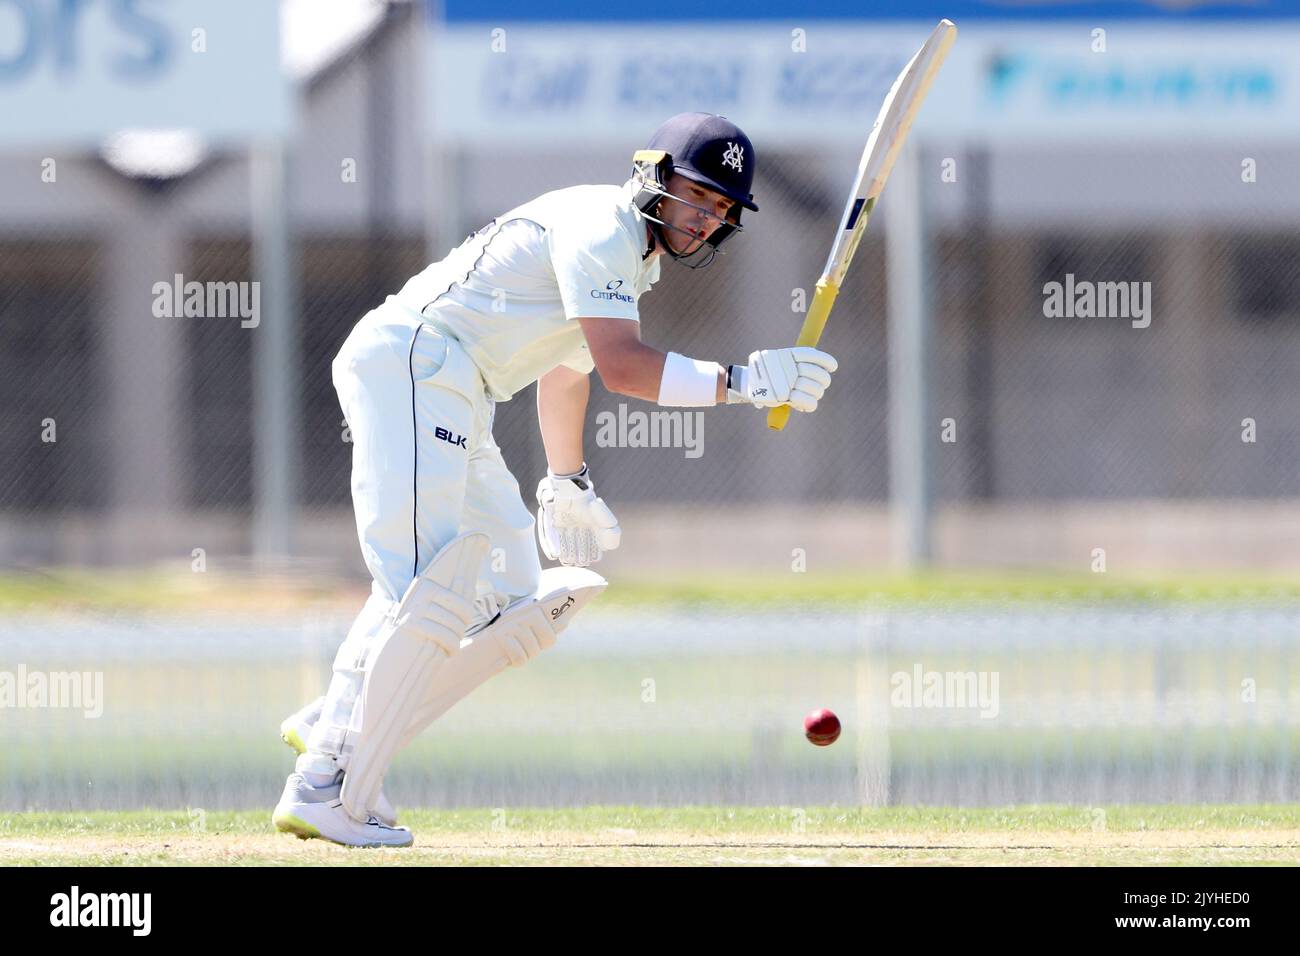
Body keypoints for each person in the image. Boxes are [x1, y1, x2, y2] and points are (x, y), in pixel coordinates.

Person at [271, 112, 838, 846]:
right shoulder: (602, 228)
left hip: (459, 389)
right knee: (428, 584)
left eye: (723, 210)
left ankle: (338, 721)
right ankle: (326, 783)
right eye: (698, 197)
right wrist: (745, 380)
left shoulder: (637, 257)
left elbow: (568, 368)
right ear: (654, 177)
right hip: (415, 363)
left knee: (510, 597)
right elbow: (624, 366)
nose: (706, 220)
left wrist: (565, 479)